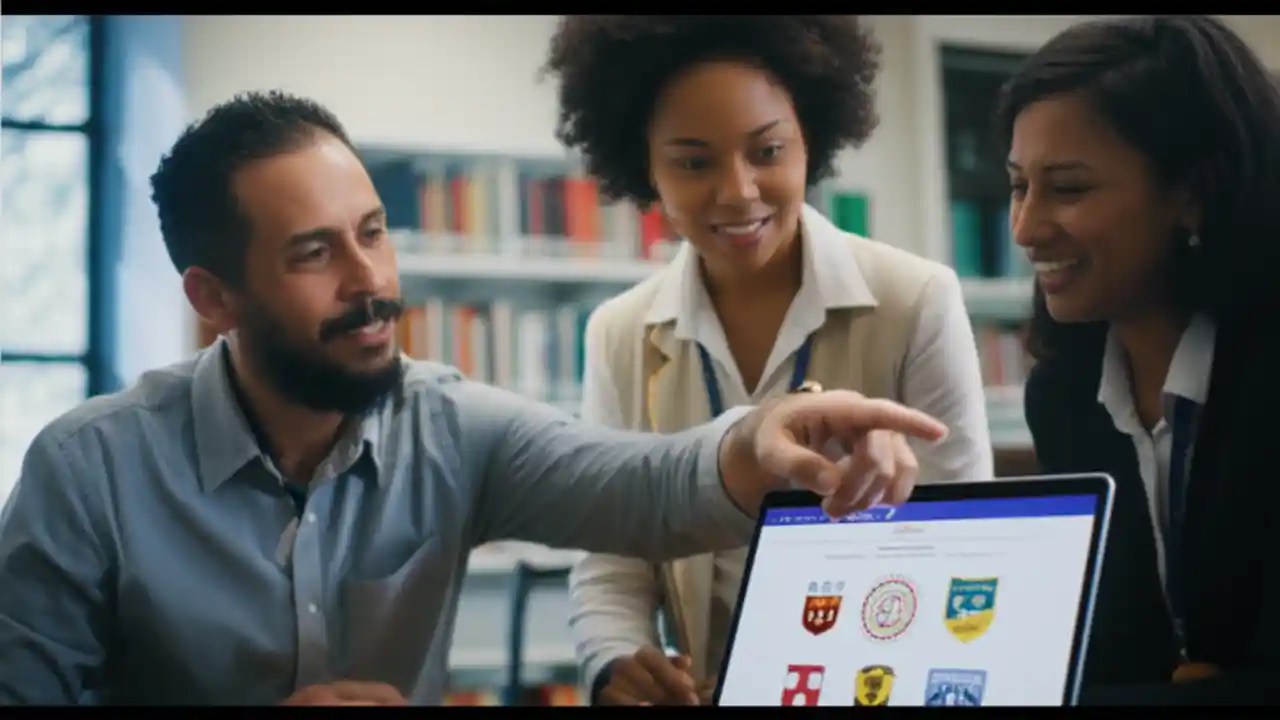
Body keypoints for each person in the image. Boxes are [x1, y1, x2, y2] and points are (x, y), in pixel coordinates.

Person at [0, 90, 950, 706]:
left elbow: (645, 484)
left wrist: (759, 437)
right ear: (214, 299)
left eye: (372, 232)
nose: (370, 281)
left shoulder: (449, 426)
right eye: (314, 253)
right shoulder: (88, 471)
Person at [540, 16, 993, 706]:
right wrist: (614, 664)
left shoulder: (916, 300)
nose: (739, 191)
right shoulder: (620, 332)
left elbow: (967, 544)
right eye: (694, 162)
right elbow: (612, 557)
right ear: (645, 167)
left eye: (767, 151)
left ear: (811, 137)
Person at [1000, 15, 1280, 705]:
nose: (1027, 228)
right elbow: (1098, 658)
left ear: (1191, 193)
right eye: (1017, 186)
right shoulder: (1062, 394)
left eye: (1067, 188)